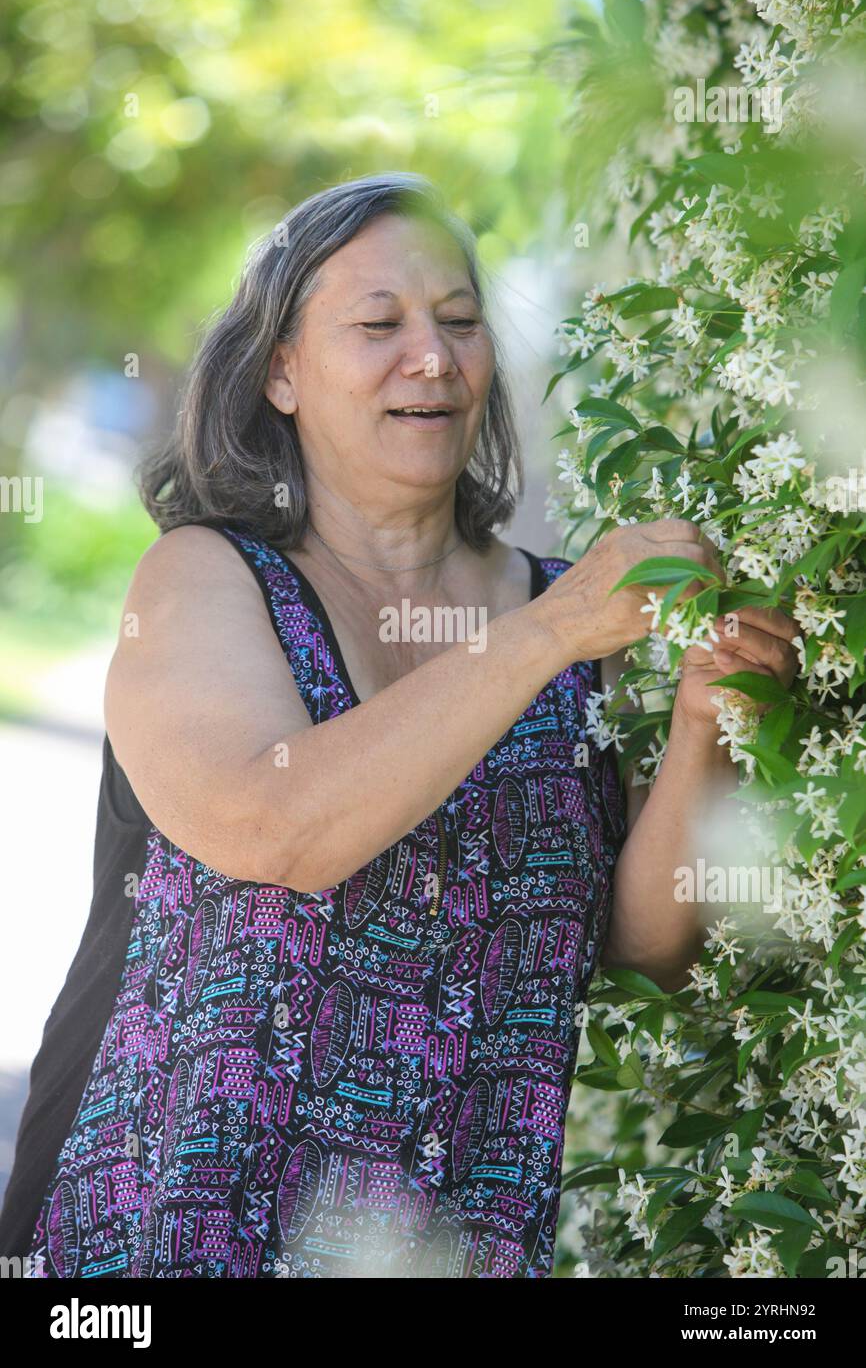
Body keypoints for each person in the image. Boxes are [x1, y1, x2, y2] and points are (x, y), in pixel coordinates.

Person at [0, 171, 799, 1278]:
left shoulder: (567, 617)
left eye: (459, 322)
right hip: (162, 1245)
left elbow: (642, 945)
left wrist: (709, 712)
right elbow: (277, 824)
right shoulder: (204, 579)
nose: (432, 356)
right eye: (378, 324)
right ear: (279, 370)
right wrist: (549, 630)